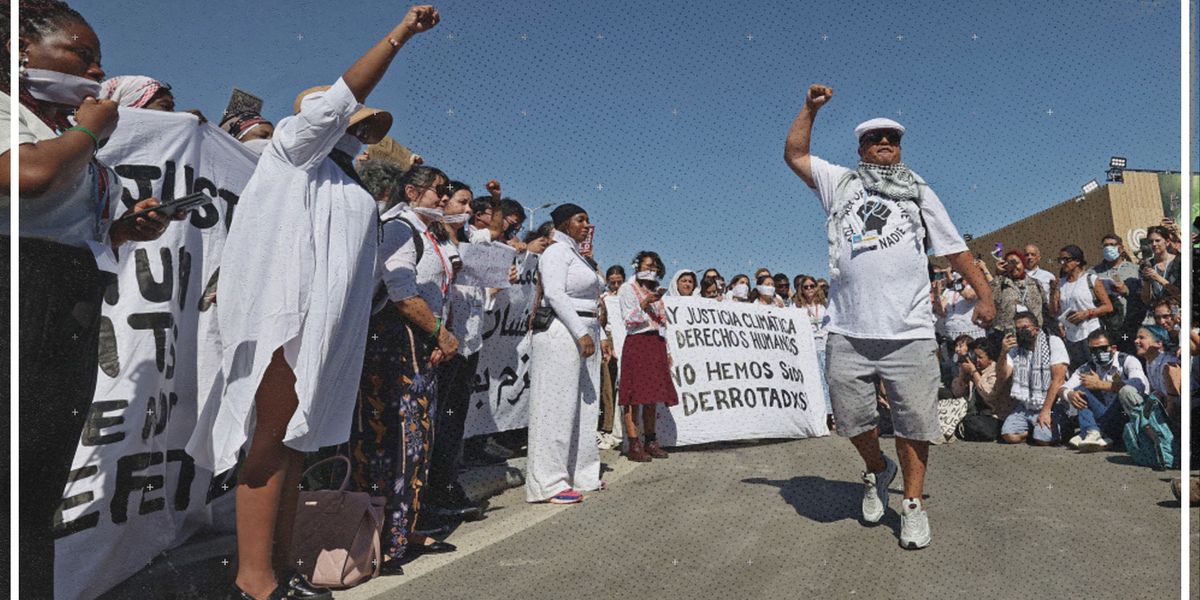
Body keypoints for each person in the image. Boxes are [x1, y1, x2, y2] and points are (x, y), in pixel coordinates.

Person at [191, 8, 440, 599]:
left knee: (296, 446)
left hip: (328, 331)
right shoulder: (292, 149)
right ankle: (252, 581)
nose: (360, 127)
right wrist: (401, 34)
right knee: (273, 441)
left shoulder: (346, 179)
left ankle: (279, 570)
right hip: (286, 322)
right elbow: (345, 94)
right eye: (351, 116)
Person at [1, 2, 178, 595]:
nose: (97, 68)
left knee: (35, 489)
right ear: (20, 46)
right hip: (17, 293)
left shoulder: (56, 127)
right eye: (82, 53)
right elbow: (28, 179)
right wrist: (87, 130)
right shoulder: (17, 115)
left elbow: (71, 223)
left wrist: (127, 228)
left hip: (66, 299)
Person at [784, 84, 994, 550]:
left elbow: (954, 250)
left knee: (914, 424)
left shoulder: (919, 192)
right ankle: (878, 469)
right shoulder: (839, 182)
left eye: (892, 139)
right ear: (861, 148)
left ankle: (914, 505)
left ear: (899, 149)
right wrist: (810, 109)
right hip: (848, 330)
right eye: (875, 138)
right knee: (853, 419)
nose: (884, 144)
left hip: (910, 331)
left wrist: (984, 294)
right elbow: (796, 153)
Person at [348, 164, 463, 573]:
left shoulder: (427, 232)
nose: (445, 199)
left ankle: (403, 529)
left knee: (416, 444)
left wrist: (437, 335)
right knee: (391, 441)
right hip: (393, 346)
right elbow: (400, 292)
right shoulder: (398, 228)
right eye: (439, 190)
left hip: (419, 344)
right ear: (412, 193)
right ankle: (377, 538)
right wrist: (439, 332)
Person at [425, 179, 506, 525]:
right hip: (444, 340)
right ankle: (431, 491)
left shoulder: (473, 239)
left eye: (472, 204)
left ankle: (446, 483)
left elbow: (497, 230)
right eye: (461, 202)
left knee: (454, 418)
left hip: (469, 340)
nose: (468, 210)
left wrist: (496, 200)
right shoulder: (435, 240)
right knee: (438, 417)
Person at [525, 204, 604, 504]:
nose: (586, 225)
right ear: (562, 223)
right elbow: (555, 294)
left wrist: (597, 334)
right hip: (563, 332)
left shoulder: (577, 256)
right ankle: (548, 483)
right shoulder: (555, 252)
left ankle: (580, 472)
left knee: (583, 406)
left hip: (588, 327)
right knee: (555, 407)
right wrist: (579, 332)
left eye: (587, 219)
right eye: (580, 220)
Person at [617, 251, 678, 462]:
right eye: (647, 267)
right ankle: (634, 443)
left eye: (654, 267)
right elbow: (629, 319)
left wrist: (667, 350)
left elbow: (663, 323)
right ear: (637, 267)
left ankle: (650, 440)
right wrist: (644, 303)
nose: (650, 271)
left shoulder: (655, 291)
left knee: (651, 396)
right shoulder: (627, 289)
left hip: (655, 343)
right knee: (634, 397)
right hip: (638, 342)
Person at [1059, 330, 1148, 452]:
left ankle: (1093, 432)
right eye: (1093, 350)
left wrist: (1101, 385)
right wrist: (1069, 394)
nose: (1098, 353)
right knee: (1080, 390)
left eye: (1102, 348)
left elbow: (1138, 384)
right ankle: (1093, 432)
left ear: (1113, 348)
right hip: (1104, 414)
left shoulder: (1127, 361)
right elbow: (1063, 388)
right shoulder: (1088, 367)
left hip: (1125, 415)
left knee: (1125, 391)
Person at [994, 312, 1069, 446]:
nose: (1021, 332)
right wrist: (1003, 353)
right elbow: (1002, 375)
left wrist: (1046, 411)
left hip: (1051, 405)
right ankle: (1033, 431)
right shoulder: (1015, 349)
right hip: (1026, 405)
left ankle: (1056, 428)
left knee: (1042, 440)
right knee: (1009, 436)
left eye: (1025, 328)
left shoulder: (1052, 342)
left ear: (1036, 329)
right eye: (1017, 329)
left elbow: (1058, 380)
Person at [1052, 245, 1113, 369]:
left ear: (1077, 261)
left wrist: (1086, 313)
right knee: (1079, 371)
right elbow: (1054, 311)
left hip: (1091, 332)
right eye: (1060, 260)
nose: (1062, 263)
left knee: (1098, 368)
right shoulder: (1061, 284)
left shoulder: (1091, 279)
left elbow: (1108, 306)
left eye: (1066, 259)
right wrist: (1053, 291)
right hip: (1071, 336)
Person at [1088, 233, 1142, 353]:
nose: (1108, 248)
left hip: (1131, 324)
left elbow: (1143, 297)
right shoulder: (1092, 273)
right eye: (1105, 246)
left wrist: (1127, 291)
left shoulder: (1134, 269)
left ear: (1121, 248)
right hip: (1107, 326)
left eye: (1112, 245)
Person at [795, 275, 832, 427]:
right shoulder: (797, 308)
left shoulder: (825, 305)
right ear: (801, 290)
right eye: (806, 287)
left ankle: (833, 414)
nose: (809, 289)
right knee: (817, 383)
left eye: (812, 286)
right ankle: (823, 416)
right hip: (809, 350)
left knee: (829, 382)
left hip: (826, 347)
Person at [597, 265, 626, 450]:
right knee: (608, 386)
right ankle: (607, 425)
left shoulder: (628, 297)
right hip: (609, 342)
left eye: (619, 281)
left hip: (626, 342)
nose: (615, 285)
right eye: (612, 281)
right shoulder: (603, 299)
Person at [989, 249, 1047, 335]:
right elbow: (991, 301)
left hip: (1033, 333)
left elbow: (1045, 306)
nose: (1014, 267)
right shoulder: (1001, 283)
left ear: (1023, 263)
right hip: (1008, 334)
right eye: (1009, 264)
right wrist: (998, 275)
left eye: (1016, 263)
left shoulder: (1035, 283)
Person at [1138, 225, 1181, 305]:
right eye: (1150, 241)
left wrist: (1158, 278)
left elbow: (1181, 294)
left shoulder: (1179, 262)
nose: (1154, 244)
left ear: (1167, 242)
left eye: (1157, 240)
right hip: (1157, 311)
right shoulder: (1146, 265)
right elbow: (1146, 300)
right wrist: (1146, 281)